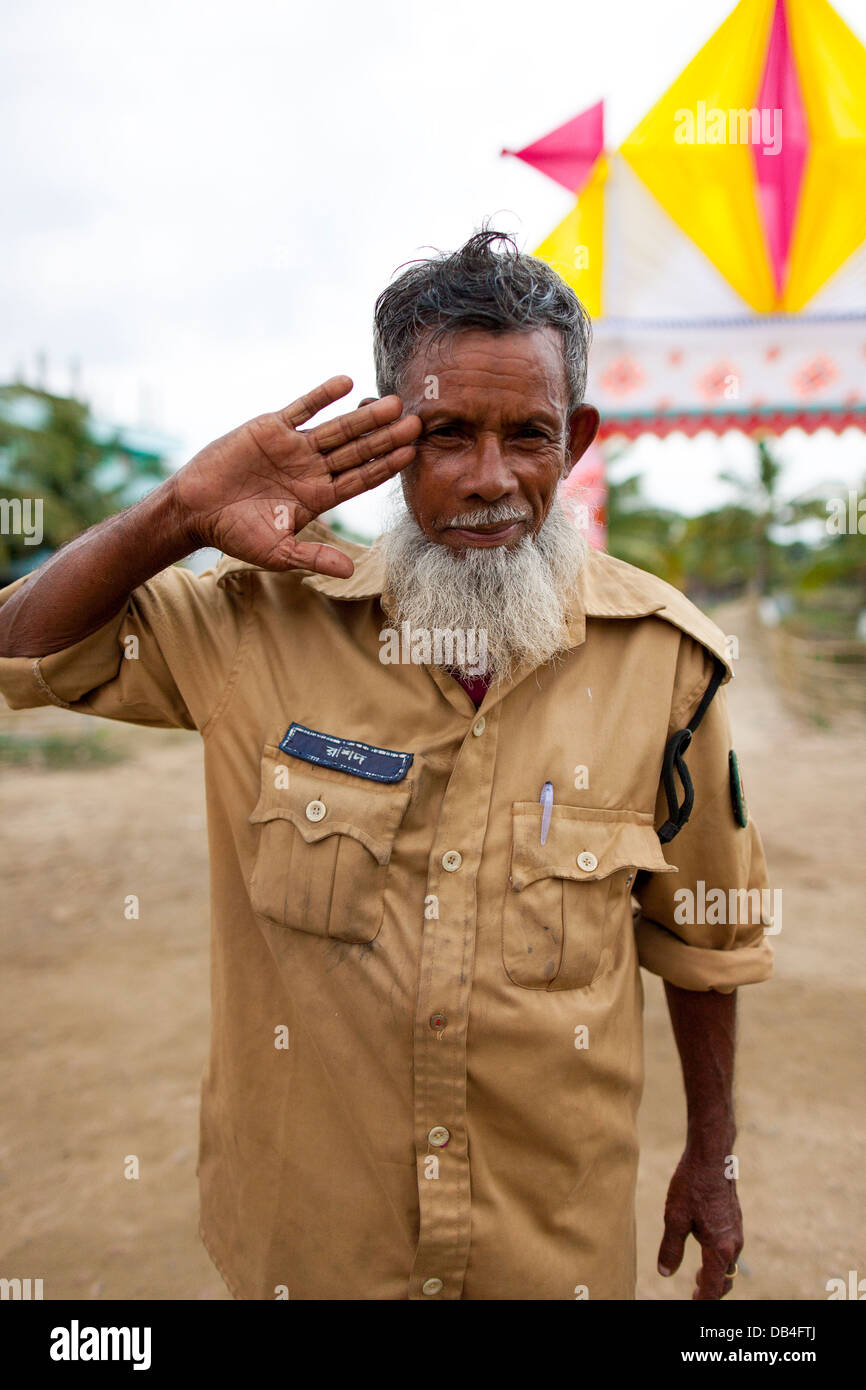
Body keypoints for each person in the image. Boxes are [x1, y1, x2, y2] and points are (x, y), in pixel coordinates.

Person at [0, 228, 773, 1301]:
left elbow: (703, 939)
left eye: (527, 436)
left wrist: (712, 1154)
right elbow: (19, 650)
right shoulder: (251, 627)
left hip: (547, 1260)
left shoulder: (665, 663)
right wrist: (177, 514)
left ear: (578, 439)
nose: (488, 478)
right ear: (383, 432)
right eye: (445, 432)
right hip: (310, 1257)